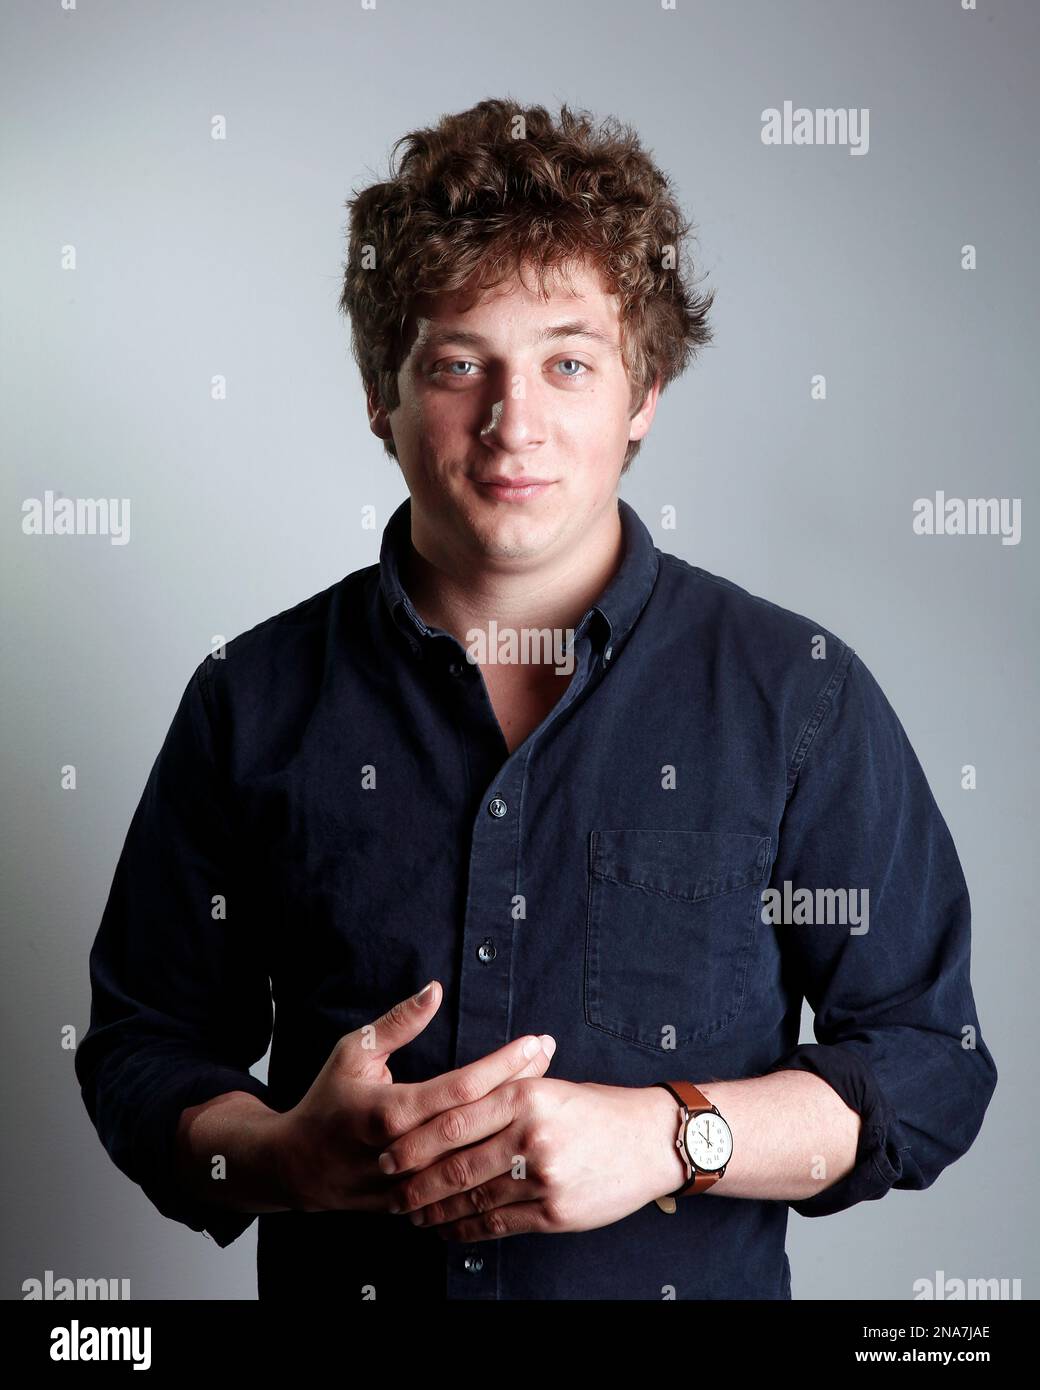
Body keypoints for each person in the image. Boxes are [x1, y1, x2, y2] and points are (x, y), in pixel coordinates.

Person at [75, 97, 997, 1301]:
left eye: (569, 361)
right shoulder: (248, 700)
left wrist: (673, 1137)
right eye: (459, 364)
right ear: (380, 397)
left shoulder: (797, 698)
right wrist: (278, 1156)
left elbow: (928, 1066)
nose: (515, 424)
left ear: (643, 393)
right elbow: (143, 1047)